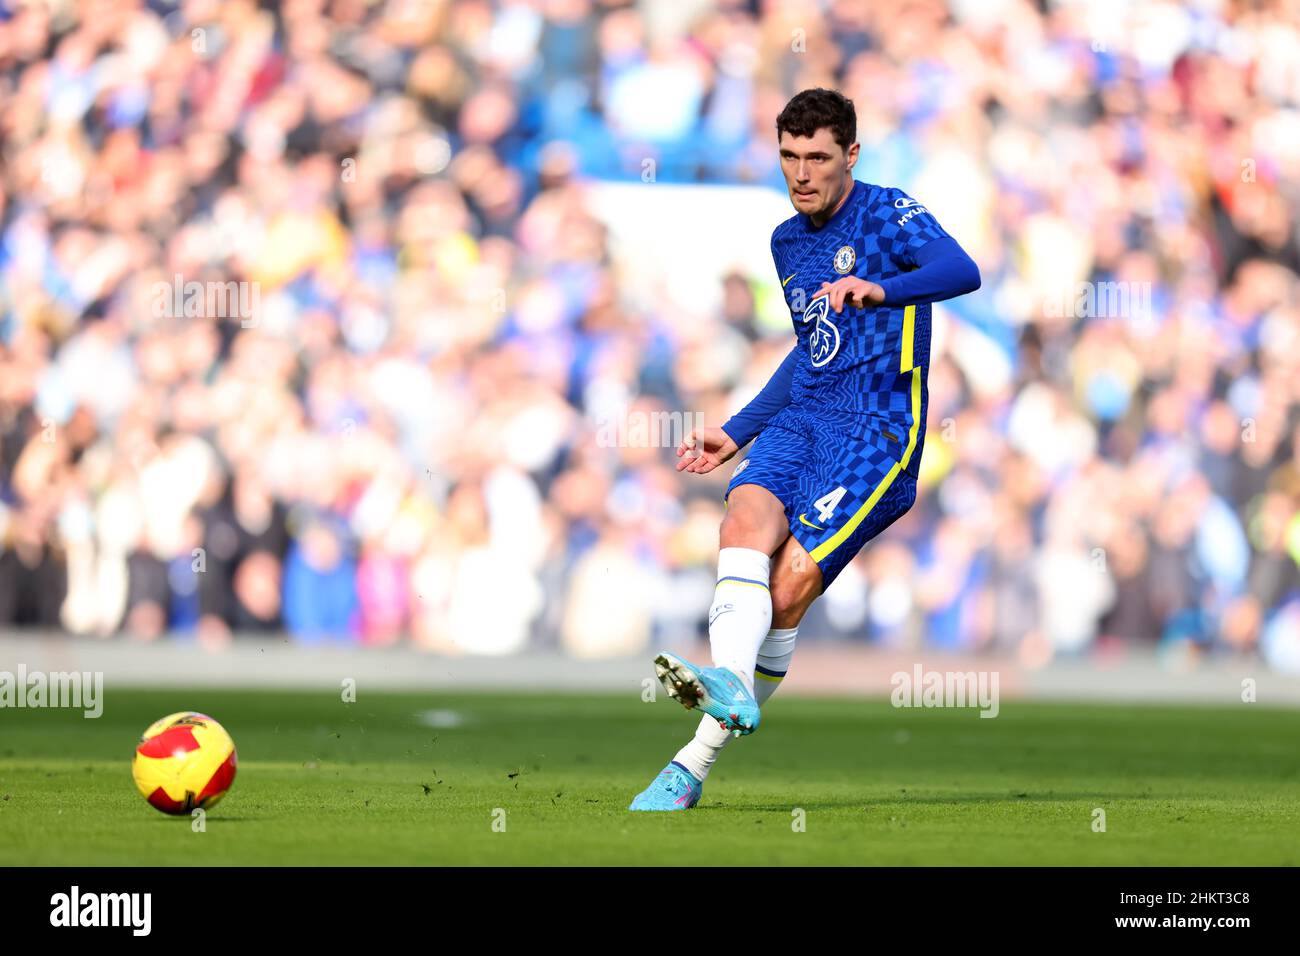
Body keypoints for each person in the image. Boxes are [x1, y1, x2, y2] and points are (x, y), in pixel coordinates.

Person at [630, 88, 982, 811]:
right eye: (789, 156)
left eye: (818, 156)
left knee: (786, 587)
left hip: (876, 431)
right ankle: (728, 680)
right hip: (805, 416)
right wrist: (739, 428)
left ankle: (691, 765)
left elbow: (962, 270)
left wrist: (879, 289)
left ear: (850, 154)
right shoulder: (786, 241)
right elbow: (810, 348)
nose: (802, 173)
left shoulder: (887, 212)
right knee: (742, 520)